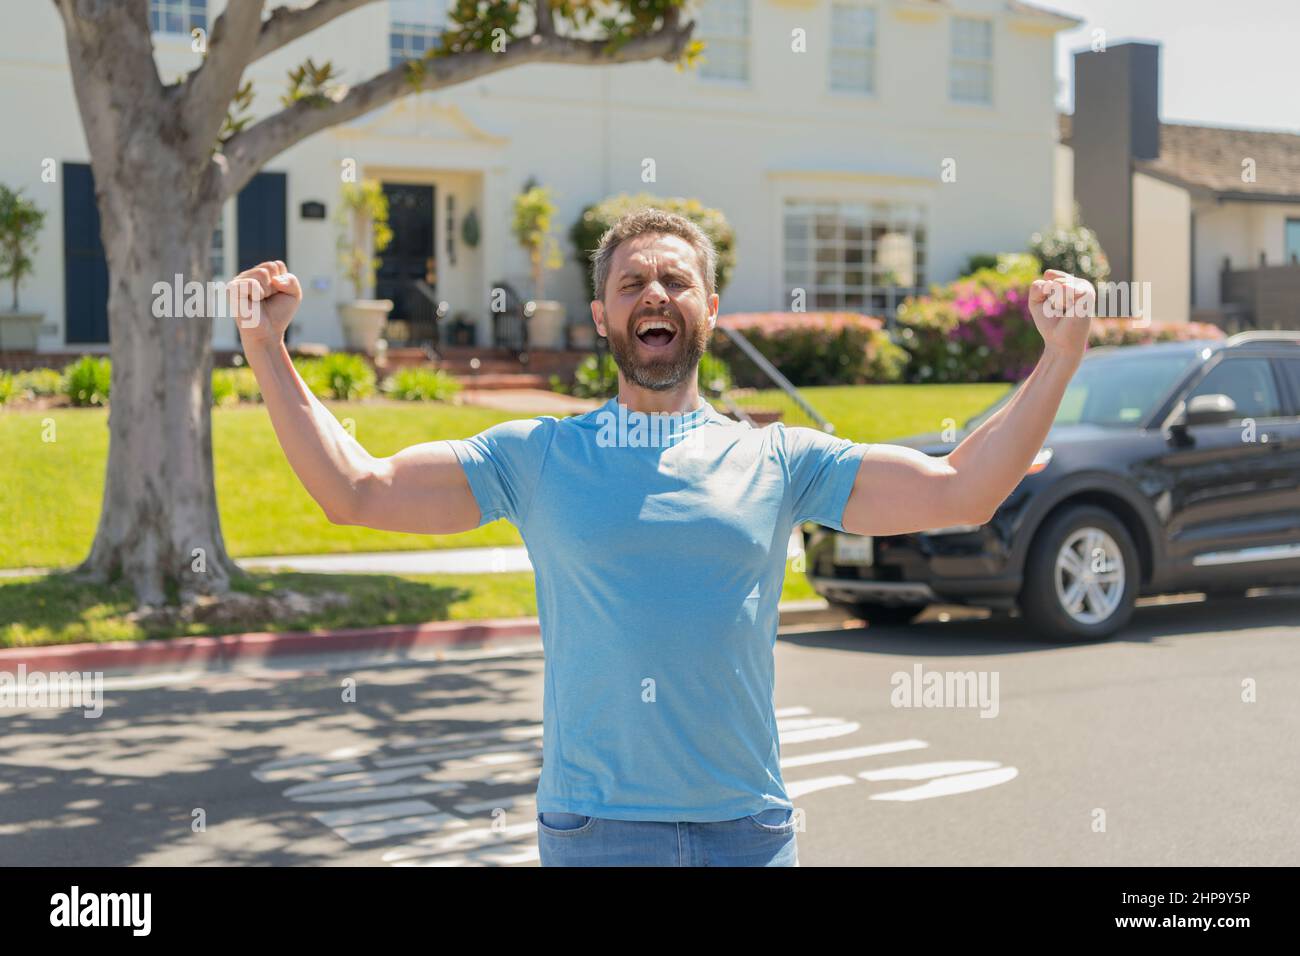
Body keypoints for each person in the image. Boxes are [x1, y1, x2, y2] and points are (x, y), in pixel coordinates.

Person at [229, 207, 1095, 867]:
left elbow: (962, 491)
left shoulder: (779, 458)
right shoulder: (536, 456)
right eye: (632, 283)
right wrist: (268, 348)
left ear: (709, 311)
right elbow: (356, 490)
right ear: (602, 316)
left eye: (676, 282)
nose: (655, 295)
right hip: (597, 832)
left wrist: (1058, 356)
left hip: (747, 832)